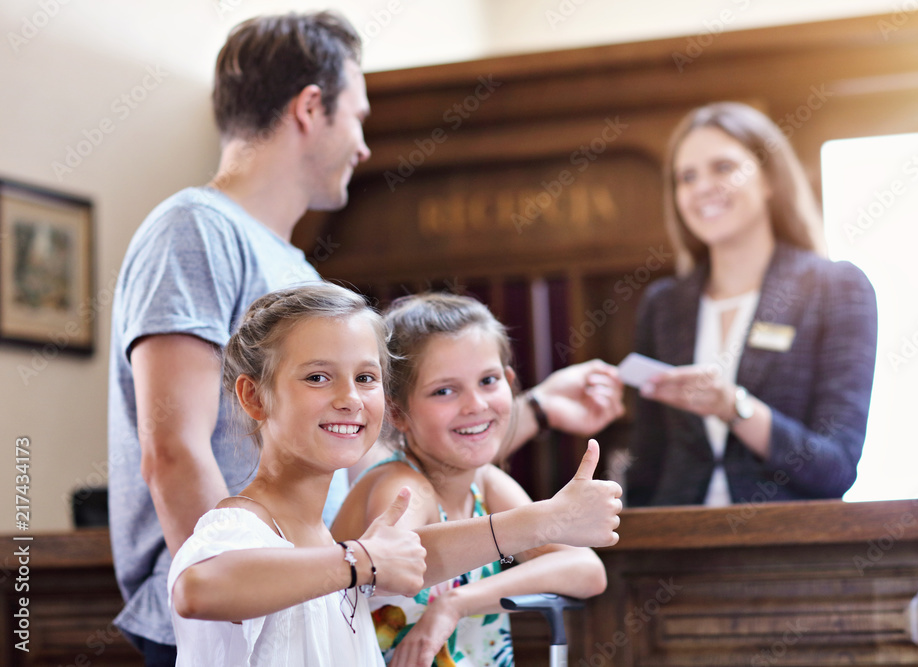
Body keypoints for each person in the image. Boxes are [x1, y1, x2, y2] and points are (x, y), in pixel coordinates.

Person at [107, 11, 624, 665]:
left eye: (366, 377)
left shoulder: (302, 275)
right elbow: (174, 450)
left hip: (320, 596)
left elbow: (390, 455)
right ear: (310, 107)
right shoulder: (197, 228)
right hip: (248, 616)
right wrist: (255, 606)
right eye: (357, 115)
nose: (364, 145)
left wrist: (540, 413)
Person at [167, 283, 623, 667]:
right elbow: (198, 588)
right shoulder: (243, 528)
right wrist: (360, 561)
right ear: (254, 397)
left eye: (366, 378)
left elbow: (411, 559)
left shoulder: (323, 545)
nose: (350, 398)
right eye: (317, 378)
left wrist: (550, 521)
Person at [333, 293, 608, 666]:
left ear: (510, 383)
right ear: (396, 411)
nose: (476, 405)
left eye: (489, 380)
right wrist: (541, 521)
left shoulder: (487, 483)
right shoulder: (403, 485)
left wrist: (458, 603)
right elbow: (392, 561)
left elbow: (587, 571)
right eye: (444, 390)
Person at [626, 101, 877, 507]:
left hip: (786, 550)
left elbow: (837, 466)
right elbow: (648, 461)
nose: (703, 187)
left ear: (768, 180)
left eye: (723, 168)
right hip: (675, 548)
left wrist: (735, 407)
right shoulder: (664, 305)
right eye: (686, 177)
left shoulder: (836, 288)